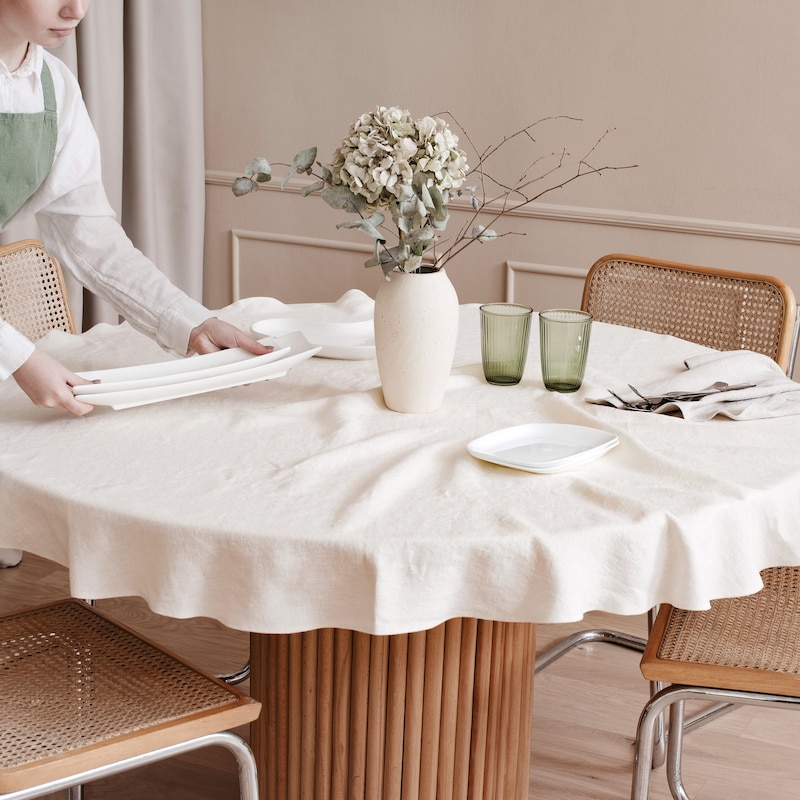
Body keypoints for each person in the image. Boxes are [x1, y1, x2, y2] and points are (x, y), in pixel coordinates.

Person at [0, 0, 270, 567]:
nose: (77, 9)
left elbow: (89, 237)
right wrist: (20, 357)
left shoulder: (52, 87)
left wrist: (191, 323)